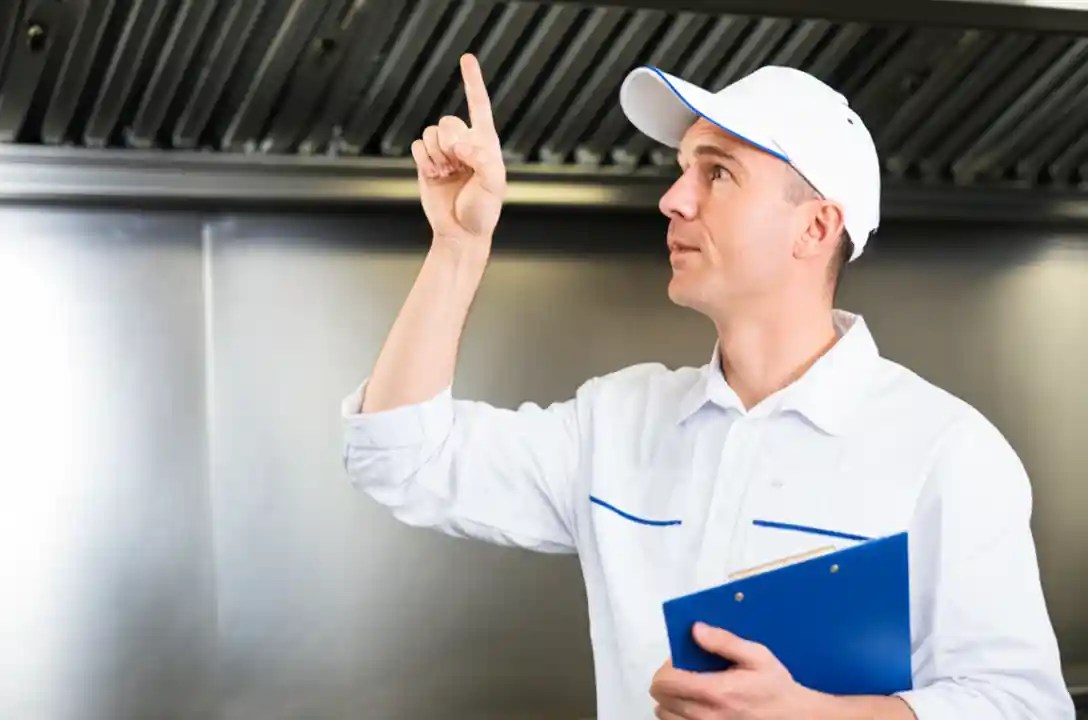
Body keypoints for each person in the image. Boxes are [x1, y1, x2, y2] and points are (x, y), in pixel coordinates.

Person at [339, 52, 1073, 719]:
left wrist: (812, 718)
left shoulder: (946, 451)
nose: (673, 199)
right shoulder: (616, 421)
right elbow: (401, 455)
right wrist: (458, 248)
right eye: (683, 168)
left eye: (716, 172)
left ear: (815, 229)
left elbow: (1025, 707)